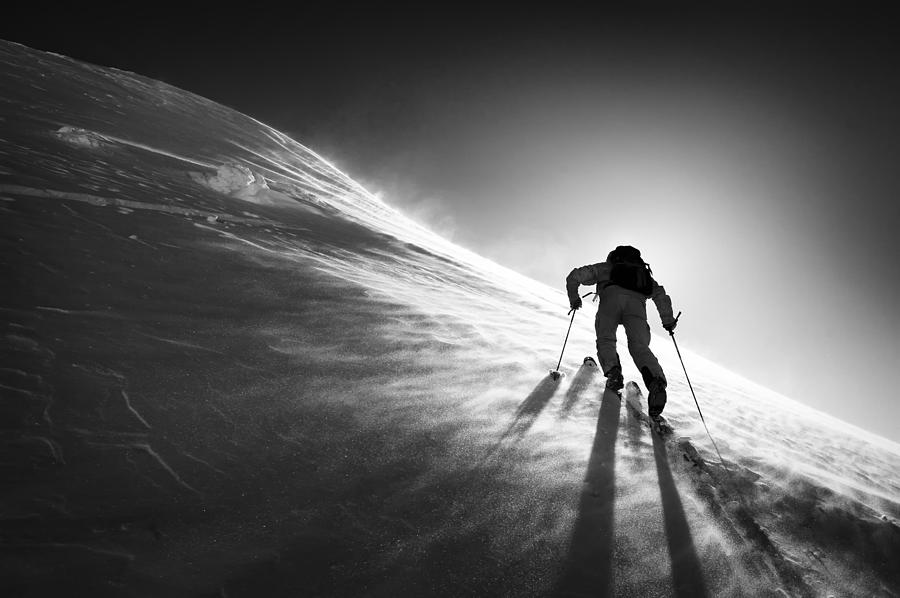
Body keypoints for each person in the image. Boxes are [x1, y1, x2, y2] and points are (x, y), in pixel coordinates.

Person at [566, 245, 677, 417]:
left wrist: (574, 298)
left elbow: (575, 276)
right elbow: (660, 295)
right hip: (637, 306)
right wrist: (668, 320)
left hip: (610, 300)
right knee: (639, 347)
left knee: (606, 339)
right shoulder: (642, 274)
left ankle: (614, 373)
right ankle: (656, 382)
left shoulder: (608, 267)